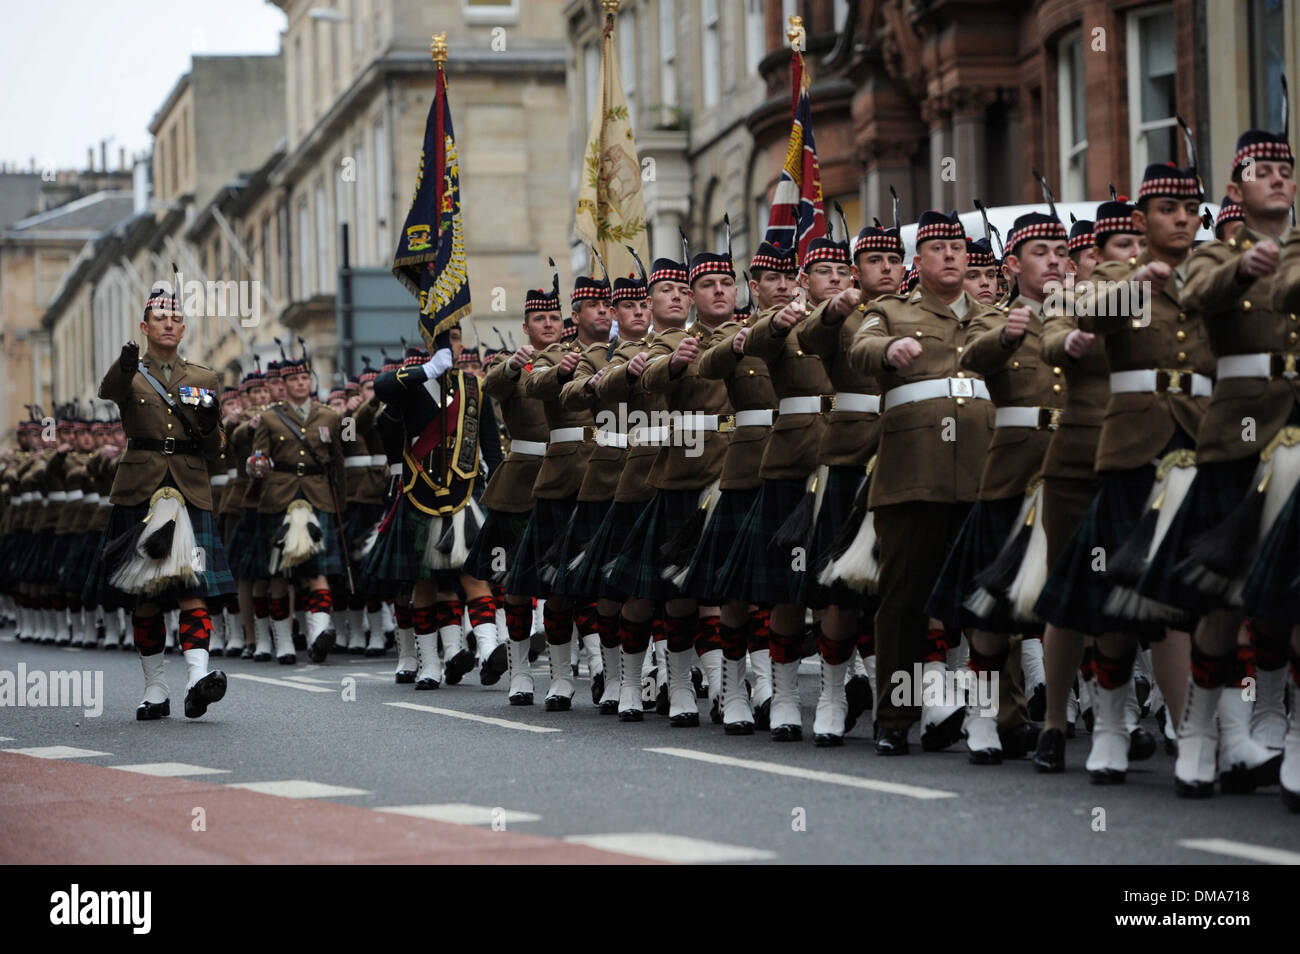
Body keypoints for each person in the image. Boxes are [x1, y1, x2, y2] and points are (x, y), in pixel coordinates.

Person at [1153, 130, 1296, 800]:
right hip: (1237, 439)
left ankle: (1280, 722)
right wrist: (1242, 269)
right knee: (1221, 597)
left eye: (1284, 169)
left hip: (1296, 433)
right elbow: (1191, 292)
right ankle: (1202, 725)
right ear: (1236, 190)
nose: (1276, 178)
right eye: (1261, 170)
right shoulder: (1217, 251)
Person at [847, 210, 997, 755]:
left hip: (983, 473)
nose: (951, 255)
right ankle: (894, 718)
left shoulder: (992, 316)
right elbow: (859, 350)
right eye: (938, 248)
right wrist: (888, 352)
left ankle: (997, 714)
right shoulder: (889, 311)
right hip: (914, 475)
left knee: (988, 601)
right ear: (919, 261)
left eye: (957, 246)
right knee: (905, 603)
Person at [88, 285, 234, 720]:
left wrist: (210, 426)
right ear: (145, 326)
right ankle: (155, 689)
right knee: (146, 596)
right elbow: (107, 391)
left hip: (188, 488)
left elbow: (214, 448)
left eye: (175, 317)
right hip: (142, 490)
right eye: (160, 317)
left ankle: (197, 680)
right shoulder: (129, 373)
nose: (168, 323)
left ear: (183, 328)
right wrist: (124, 362)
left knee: (194, 589)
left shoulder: (204, 377)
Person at [465, 278, 562, 702]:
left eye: (554, 317)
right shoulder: (511, 362)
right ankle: (519, 670)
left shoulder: (580, 358)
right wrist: (509, 365)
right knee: (516, 581)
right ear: (526, 326)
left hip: (566, 474)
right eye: (539, 318)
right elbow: (492, 388)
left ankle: (566, 671)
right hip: (521, 482)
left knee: (562, 583)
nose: (547, 324)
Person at [247, 347, 348, 665]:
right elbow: (257, 456)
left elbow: (339, 464)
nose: (301, 383)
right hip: (281, 496)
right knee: (280, 572)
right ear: (285, 384)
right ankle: (285, 642)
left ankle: (319, 635)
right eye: (295, 379)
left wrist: (339, 504)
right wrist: (256, 466)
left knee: (318, 570)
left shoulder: (330, 416)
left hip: (318, 495)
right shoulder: (269, 417)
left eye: (305, 377)